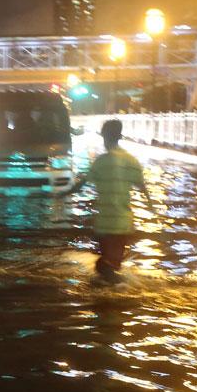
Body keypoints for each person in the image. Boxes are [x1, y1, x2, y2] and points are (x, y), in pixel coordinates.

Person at [67, 118, 149, 281]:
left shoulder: (100, 162)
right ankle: (121, 291)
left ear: (104, 137)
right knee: (112, 264)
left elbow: (81, 185)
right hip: (123, 222)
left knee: (104, 266)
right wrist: (152, 207)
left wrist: (61, 195)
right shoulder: (132, 161)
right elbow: (143, 188)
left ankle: (115, 291)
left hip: (104, 223)